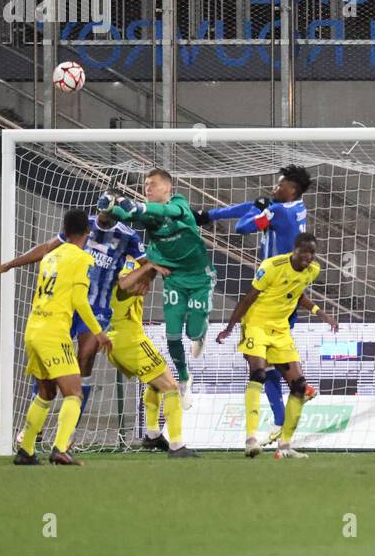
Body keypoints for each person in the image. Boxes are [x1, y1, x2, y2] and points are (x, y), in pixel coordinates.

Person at [0, 201, 145, 431]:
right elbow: (46, 247)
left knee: (85, 358)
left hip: (97, 309)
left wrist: (139, 281)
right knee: (46, 371)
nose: (101, 217)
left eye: (107, 213)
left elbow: (146, 264)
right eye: (100, 211)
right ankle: (32, 431)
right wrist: (8, 265)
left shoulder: (128, 236)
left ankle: (68, 431)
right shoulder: (80, 227)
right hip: (66, 309)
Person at [196, 165, 312, 446]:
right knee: (269, 359)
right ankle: (292, 402)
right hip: (288, 295)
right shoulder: (297, 208)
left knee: (258, 362)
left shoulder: (280, 211)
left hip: (268, 295)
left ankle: (280, 417)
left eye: (279, 184)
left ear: (292, 189)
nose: (275, 187)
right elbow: (254, 205)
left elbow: (243, 226)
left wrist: (258, 210)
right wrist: (209, 216)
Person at [216, 233, 339, 459]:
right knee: (259, 375)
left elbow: (296, 293)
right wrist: (230, 327)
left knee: (300, 387)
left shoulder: (313, 270)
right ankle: (251, 439)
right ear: (294, 249)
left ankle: (285, 446)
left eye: (312, 252)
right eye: (304, 251)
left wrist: (321, 314)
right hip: (256, 324)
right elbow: (248, 298)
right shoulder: (272, 266)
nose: (308, 256)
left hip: (280, 329)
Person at [105, 169, 215, 408]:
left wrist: (136, 208)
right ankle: (185, 379)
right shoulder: (148, 217)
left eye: (152, 184)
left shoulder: (179, 205)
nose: (147, 188)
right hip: (173, 277)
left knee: (193, 331)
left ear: (167, 188)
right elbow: (124, 216)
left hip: (198, 276)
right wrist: (109, 206)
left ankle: (200, 330)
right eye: (145, 185)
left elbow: (164, 211)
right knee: (172, 334)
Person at [14, 209, 111, 466]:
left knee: (45, 393)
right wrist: (99, 333)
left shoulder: (50, 256)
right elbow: (80, 300)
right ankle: (59, 448)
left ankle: (26, 450)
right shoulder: (82, 259)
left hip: (34, 329)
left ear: (64, 230)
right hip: (54, 333)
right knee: (74, 393)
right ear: (87, 233)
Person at [110, 257, 197, 457]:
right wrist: (150, 268)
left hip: (122, 335)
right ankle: (177, 446)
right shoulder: (125, 264)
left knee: (155, 382)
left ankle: (152, 434)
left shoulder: (122, 259)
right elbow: (126, 286)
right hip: (128, 337)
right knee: (171, 387)